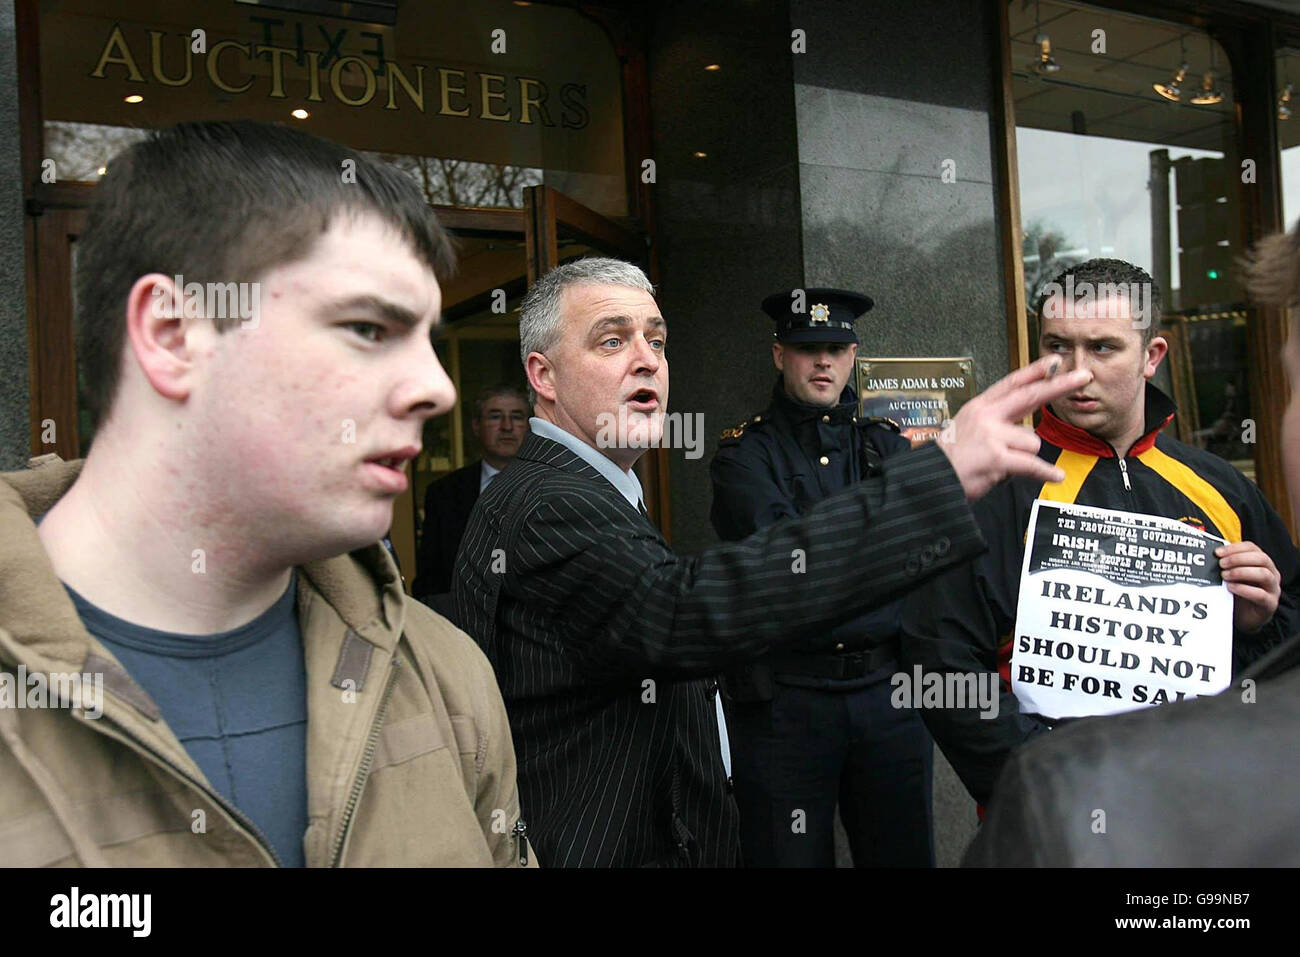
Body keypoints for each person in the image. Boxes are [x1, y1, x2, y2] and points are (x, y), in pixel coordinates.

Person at [0, 121, 532, 867]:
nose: (437, 388)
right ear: (174, 333)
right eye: (368, 327)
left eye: (429, 342)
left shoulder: (446, 679)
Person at [451, 255, 1093, 867]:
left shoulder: (594, 488)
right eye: (612, 342)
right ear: (543, 376)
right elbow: (684, 609)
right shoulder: (549, 501)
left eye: (657, 340)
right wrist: (934, 482)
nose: (648, 361)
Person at [900, 258, 1300, 808]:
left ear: (1152, 357)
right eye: (1057, 346)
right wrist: (1042, 783)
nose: (1076, 371)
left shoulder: (1221, 487)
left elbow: (1288, 641)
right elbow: (940, 664)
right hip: (1054, 819)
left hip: (1208, 804)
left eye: (1103, 347)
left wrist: (1260, 624)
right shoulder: (991, 488)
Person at [709, 288, 935, 867]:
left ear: (854, 354)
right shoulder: (744, 455)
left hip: (889, 696)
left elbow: (928, 552)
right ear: (780, 354)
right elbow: (784, 568)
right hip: (788, 703)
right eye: (808, 349)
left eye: (836, 347)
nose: (823, 362)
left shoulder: (886, 447)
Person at [413, 383, 529, 611]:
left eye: (516, 417)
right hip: (459, 626)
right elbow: (430, 577)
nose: (507, 427)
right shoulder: (443, 493)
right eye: (495, 417)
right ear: (476, 426)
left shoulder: (553, 486)